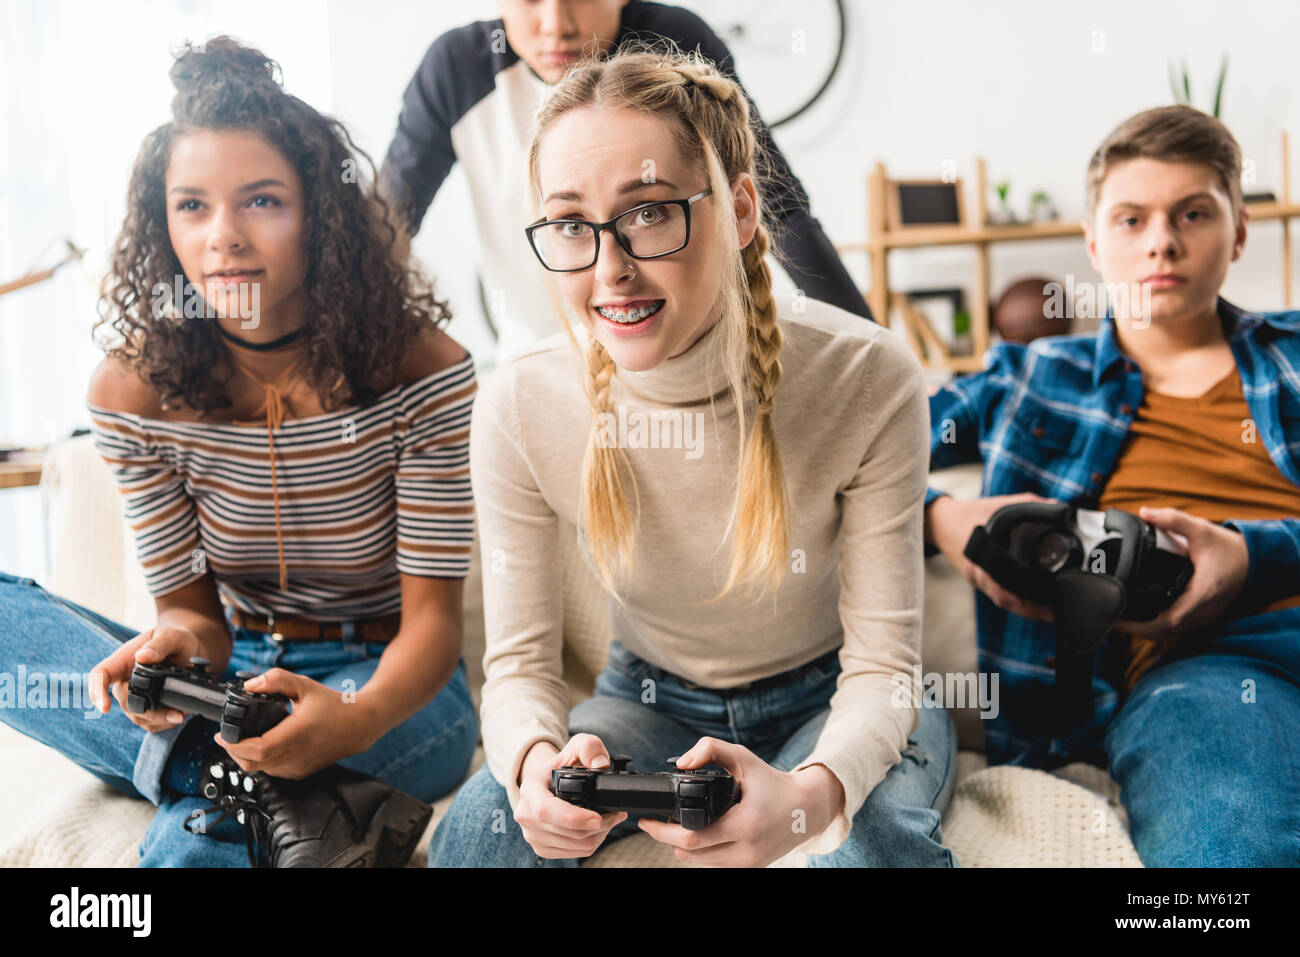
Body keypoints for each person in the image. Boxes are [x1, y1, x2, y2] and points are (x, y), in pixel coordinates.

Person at [428, 44, 956, 868]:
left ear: (741, 210)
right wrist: (534, 768)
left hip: (839, 691)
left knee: (870, 852)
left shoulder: (868, 374)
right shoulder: (519, 404)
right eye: (571, 223)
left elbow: (885, 667)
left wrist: (809, 797)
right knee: (479, 836)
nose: (611, 270)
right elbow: (521, 667)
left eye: (648, 212)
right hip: (649, 697)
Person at [0, 38, 478, 867]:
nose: (222, 236)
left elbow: (433, 628)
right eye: (192, 206)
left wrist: (354, 717)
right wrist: (169, 651)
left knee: (194, 853)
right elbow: (194, 618)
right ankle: (245, 776)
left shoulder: (422, 371)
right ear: (162, 223)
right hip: (234, 671)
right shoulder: (132, 392)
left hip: (389, 684)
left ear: (318, 215)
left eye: (260, 201)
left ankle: (212, 771)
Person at [924, 104, 1300, 866]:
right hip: (1208, 668)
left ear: (1238, 233)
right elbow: (837, 454)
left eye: (1193, 213)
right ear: (1093, 242)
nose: (1162, 239)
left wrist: (1253, 555)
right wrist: (941, 518)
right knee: (1228, 851)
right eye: (1132, 219)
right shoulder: (1024, 378)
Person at [380, 0, 871, 364]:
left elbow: (777, 206)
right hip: (544, 363)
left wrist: (873, 349)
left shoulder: (675, 41)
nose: (557, 24)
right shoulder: (456, 71)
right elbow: (384, 231)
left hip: (690, 359)